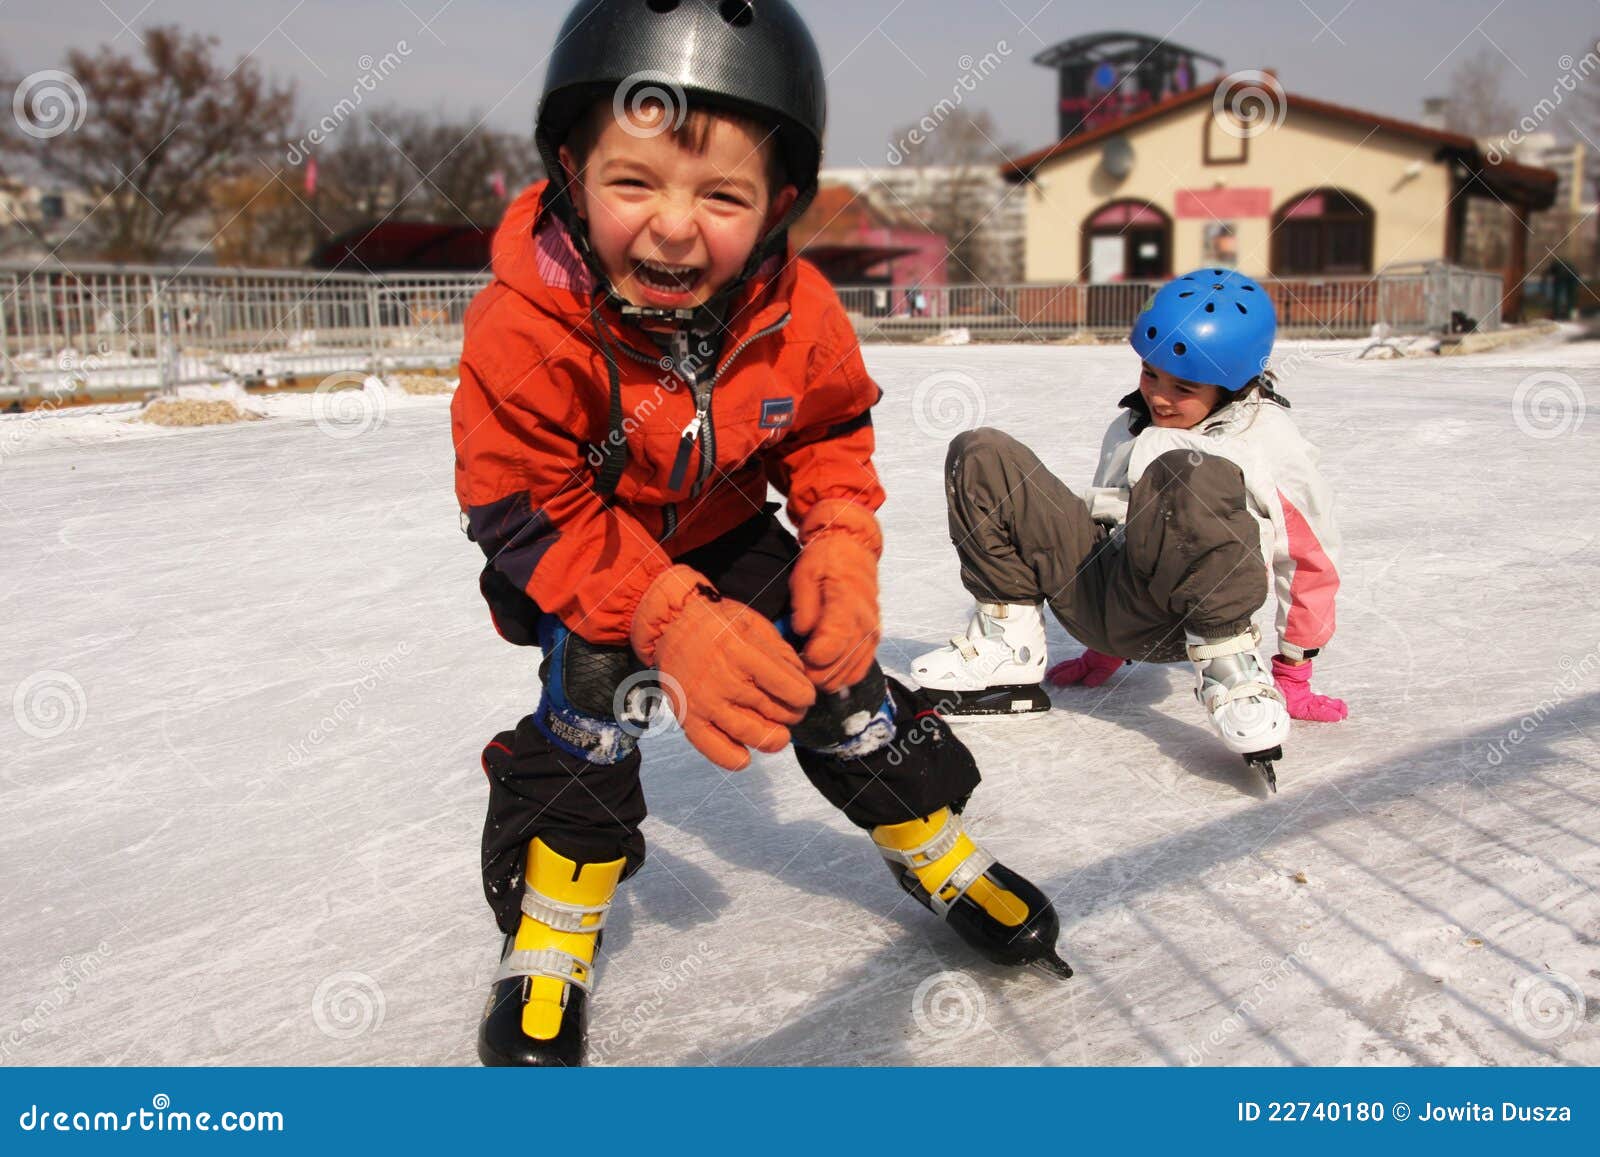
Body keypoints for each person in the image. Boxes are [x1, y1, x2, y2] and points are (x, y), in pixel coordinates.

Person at [451, 0, 1069, 1068]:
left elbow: (826, 427)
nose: (677, 226)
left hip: (725, 526)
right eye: (634, 182)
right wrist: (659, 612)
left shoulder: (796, 306)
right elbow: (522, 500)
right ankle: (552, 921)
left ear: (780, 202)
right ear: (569, 169)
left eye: (723, 195)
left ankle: (927, 840)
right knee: (597, 689)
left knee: (835, 663)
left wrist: (837, 536)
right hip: (581, 539)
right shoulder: (523, 322)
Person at [912, 269, 1346, 788]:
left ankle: (1232, 676)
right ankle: (1008, 648)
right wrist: (1102, 641)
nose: (1159, 397)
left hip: (1184, 623)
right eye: (1149, 373)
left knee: (1187, 471)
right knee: (982, 451)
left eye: (1183, 386)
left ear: (1234, 385)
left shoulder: (1268, 442)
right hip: (1107, 602)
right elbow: (1110, 530)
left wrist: (1294, 668)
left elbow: (1309, 559)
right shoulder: (1132, 425)